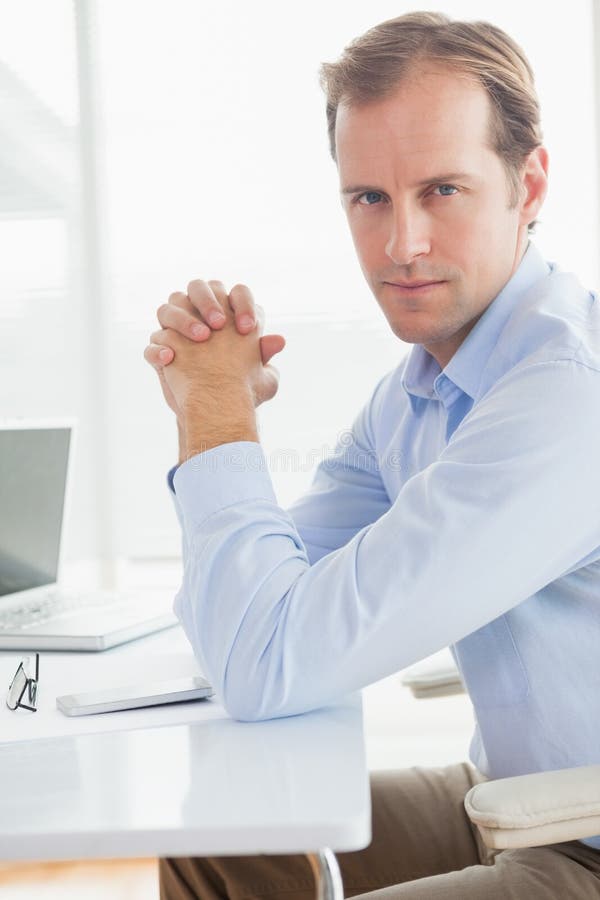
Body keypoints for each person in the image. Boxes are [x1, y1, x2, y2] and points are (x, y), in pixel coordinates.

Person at [143, 11, 600, 899]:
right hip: (514, 800)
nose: (403, 247)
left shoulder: (564, 398)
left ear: (530, 184)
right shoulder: (420, 390)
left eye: (443, 191)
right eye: (371, 199)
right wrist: (210, 410)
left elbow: (264, 661)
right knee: (216, 838)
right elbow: (242, 617)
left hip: (580, 837)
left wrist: (216, 410)